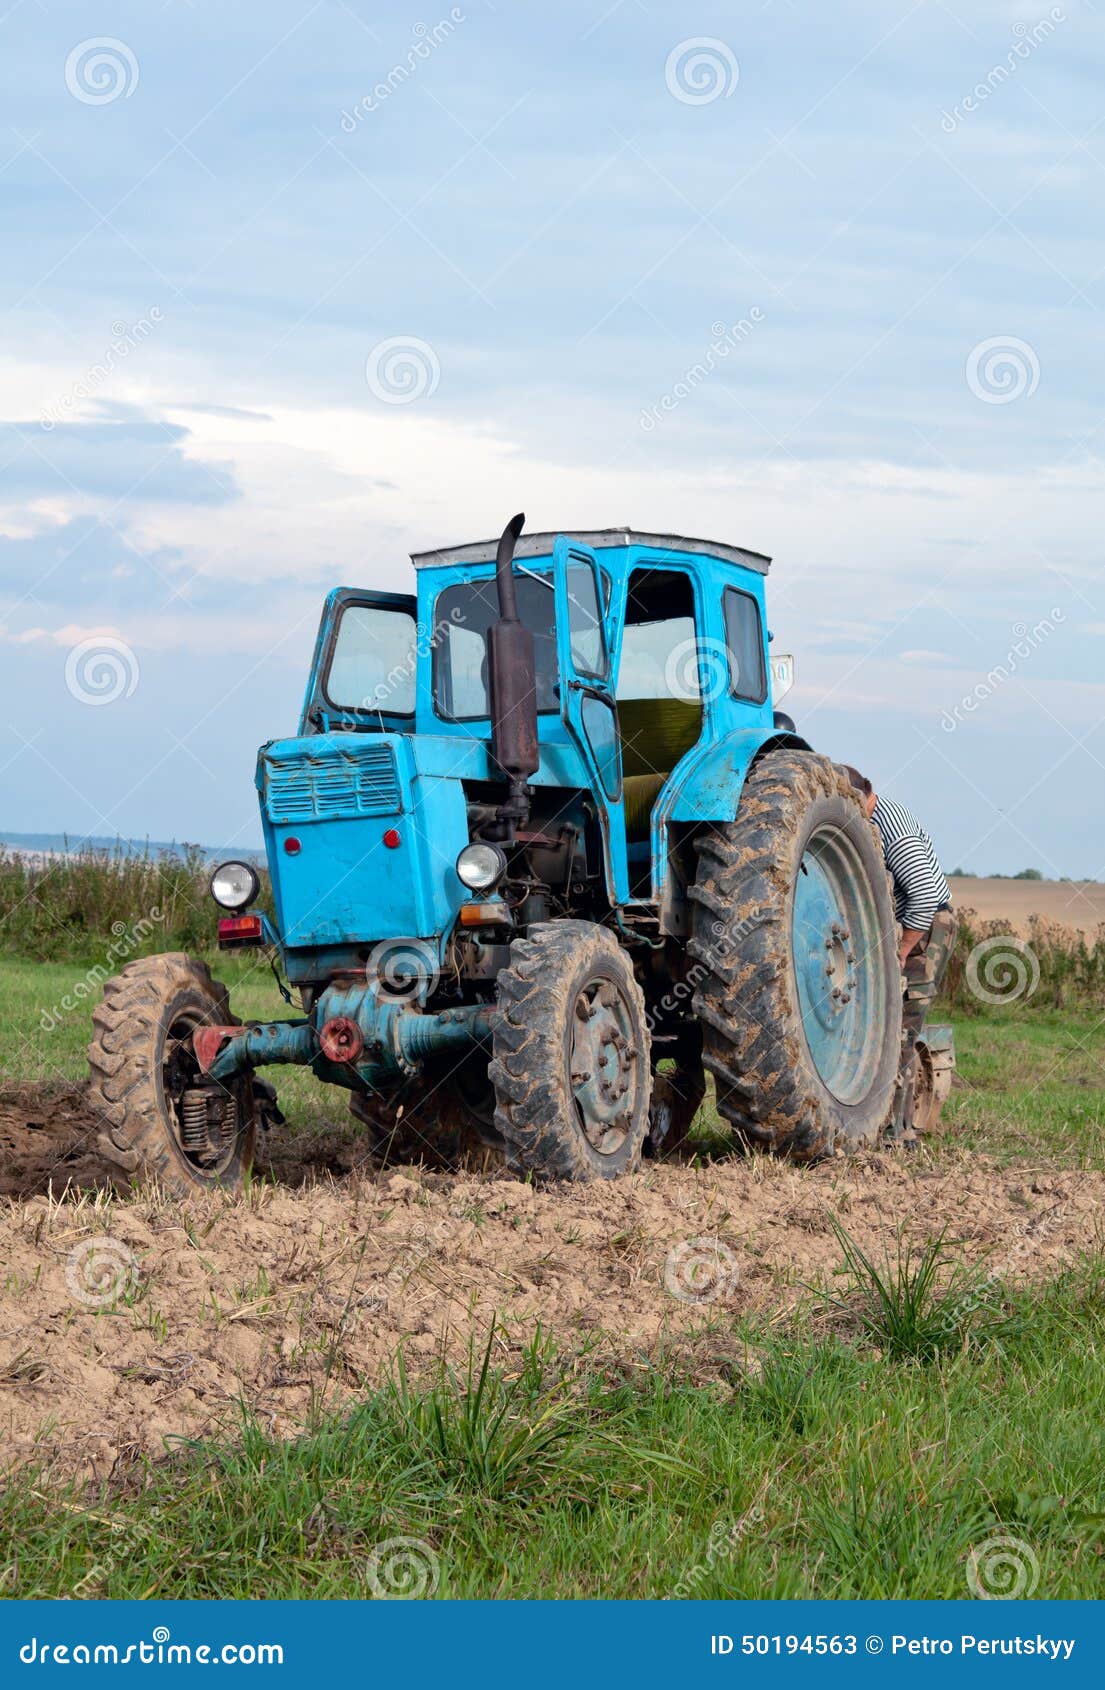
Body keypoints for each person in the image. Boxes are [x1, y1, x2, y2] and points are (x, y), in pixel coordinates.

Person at [842, 766, 957, 1136]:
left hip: (926, 929)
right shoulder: (874, 819)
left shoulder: (891, 827)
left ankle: (899, 1132)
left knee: (902, 1025)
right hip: (912, 926)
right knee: (891, 1021)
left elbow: (923, 893)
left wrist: (904, 949)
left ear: (863, 797)